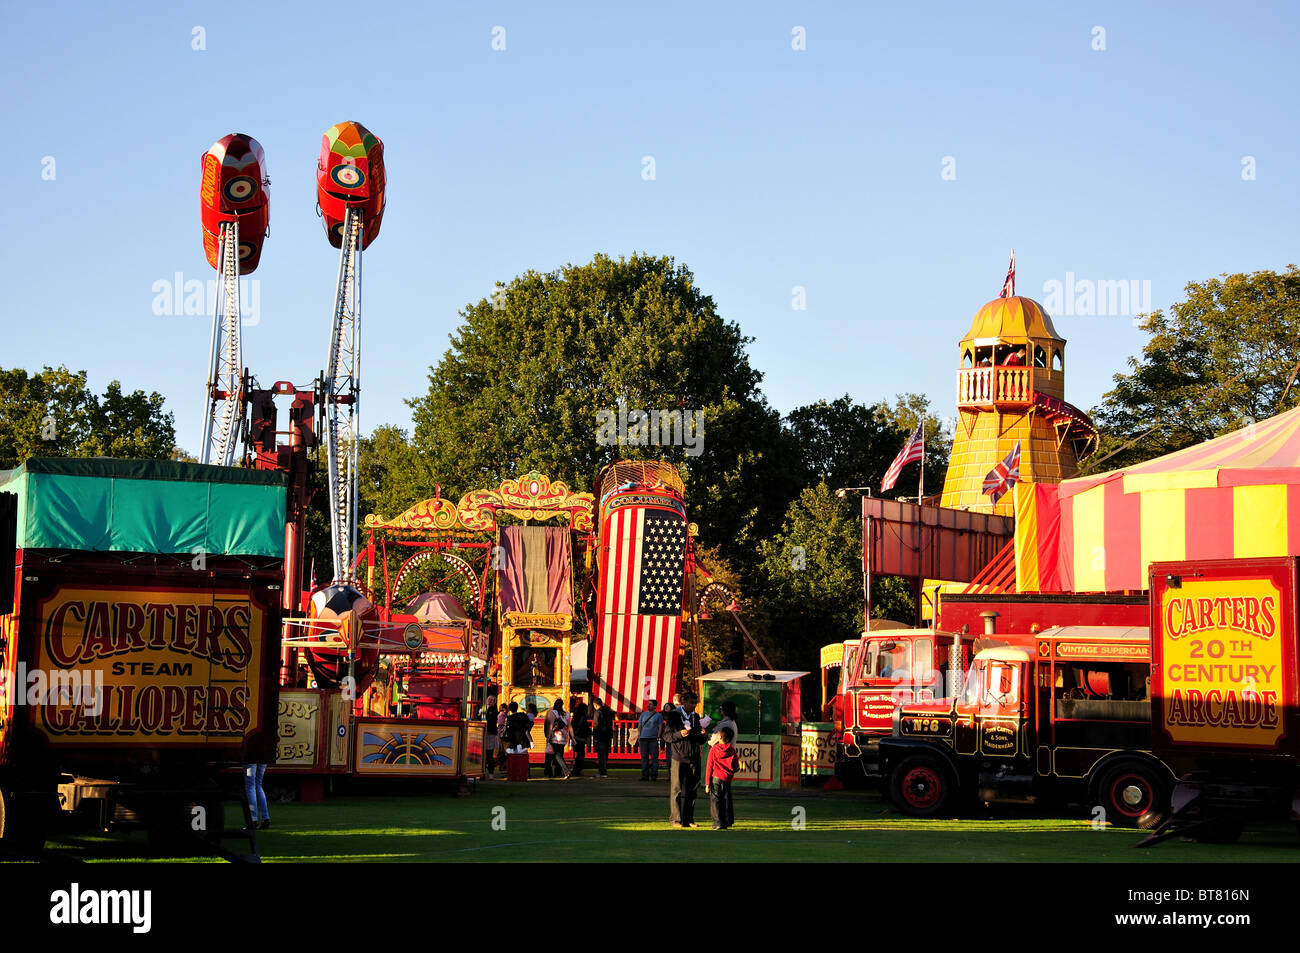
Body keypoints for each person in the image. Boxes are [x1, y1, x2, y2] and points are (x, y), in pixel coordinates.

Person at [663, 691, 704, 828]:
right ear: (684, 702)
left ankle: (688, 819)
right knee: (676, 789)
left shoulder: (695, 717)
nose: (693, 706)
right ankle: (676, 819)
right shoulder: (674, 715)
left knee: (692, 790)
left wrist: (703, 735)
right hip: (679, 757)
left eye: (695, 703)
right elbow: (667, 736)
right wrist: (679, 734)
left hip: (694, 757)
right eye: (691, 703)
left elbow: (699, 740)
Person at [705, 725, 740, 830]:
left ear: (720, 737)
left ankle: (717, 822)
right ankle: (726, 821)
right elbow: (735, 767)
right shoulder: (732, 750)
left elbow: (709, 766)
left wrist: (707, 783)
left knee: (715, 800)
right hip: (727, 779)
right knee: (726, 800)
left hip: (716, 777)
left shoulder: (714, 749)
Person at [544, 698, 571, 779]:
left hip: (554, 737)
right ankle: (556, 772)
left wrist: (548, 736)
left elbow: (549, 725)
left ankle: (566, 771)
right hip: (563, 737)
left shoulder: (552, 712)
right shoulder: (566, 713)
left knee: (556, 755)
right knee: (559, 754)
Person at [637, 700, 663, 780]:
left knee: (654, 758)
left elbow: (660, 726)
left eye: (650, 704)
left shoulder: (658, 715)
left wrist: (658, 735)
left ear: (655, 706)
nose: (648, 706)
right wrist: (639, 735)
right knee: (644, 758)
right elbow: (640, 725)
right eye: (648, 704)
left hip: (653, 738)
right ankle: (645, 776)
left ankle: (654, 775)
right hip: (643, 738)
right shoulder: (643, 714)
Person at [591, 697, 615, 778]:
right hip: (608, 735)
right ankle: (604, 771)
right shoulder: (608, 711)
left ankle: (602, 772)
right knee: (605, 754)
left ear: (595, 704)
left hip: (600, 735)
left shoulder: (598, 712)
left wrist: (595, 736)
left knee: (601, 755)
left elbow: (596, 725)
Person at [243, 762, 270, 830]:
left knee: (250, 786)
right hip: (263, 759)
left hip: (250, 761)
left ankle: (253, 819)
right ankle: (265, 818)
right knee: (258, 785)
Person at [570, 698, 591, 776]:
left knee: (579, 754)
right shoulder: (582, 717)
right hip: (580, 737)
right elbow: (583, 727)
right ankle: (576, 770)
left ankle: (576, 770)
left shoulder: (576, 716)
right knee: (580, 754)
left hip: (576, 737)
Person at [483, 695, 499, 779]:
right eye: (489, 699)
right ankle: (485, 774)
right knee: (485, 755)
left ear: (494, 702)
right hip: (485, 733)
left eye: (492, 700)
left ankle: (490, 774)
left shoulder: (493, 710)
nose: (490, 701)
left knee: (489, 755)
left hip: (490, 733)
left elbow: (490, 720)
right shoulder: (485, 709)